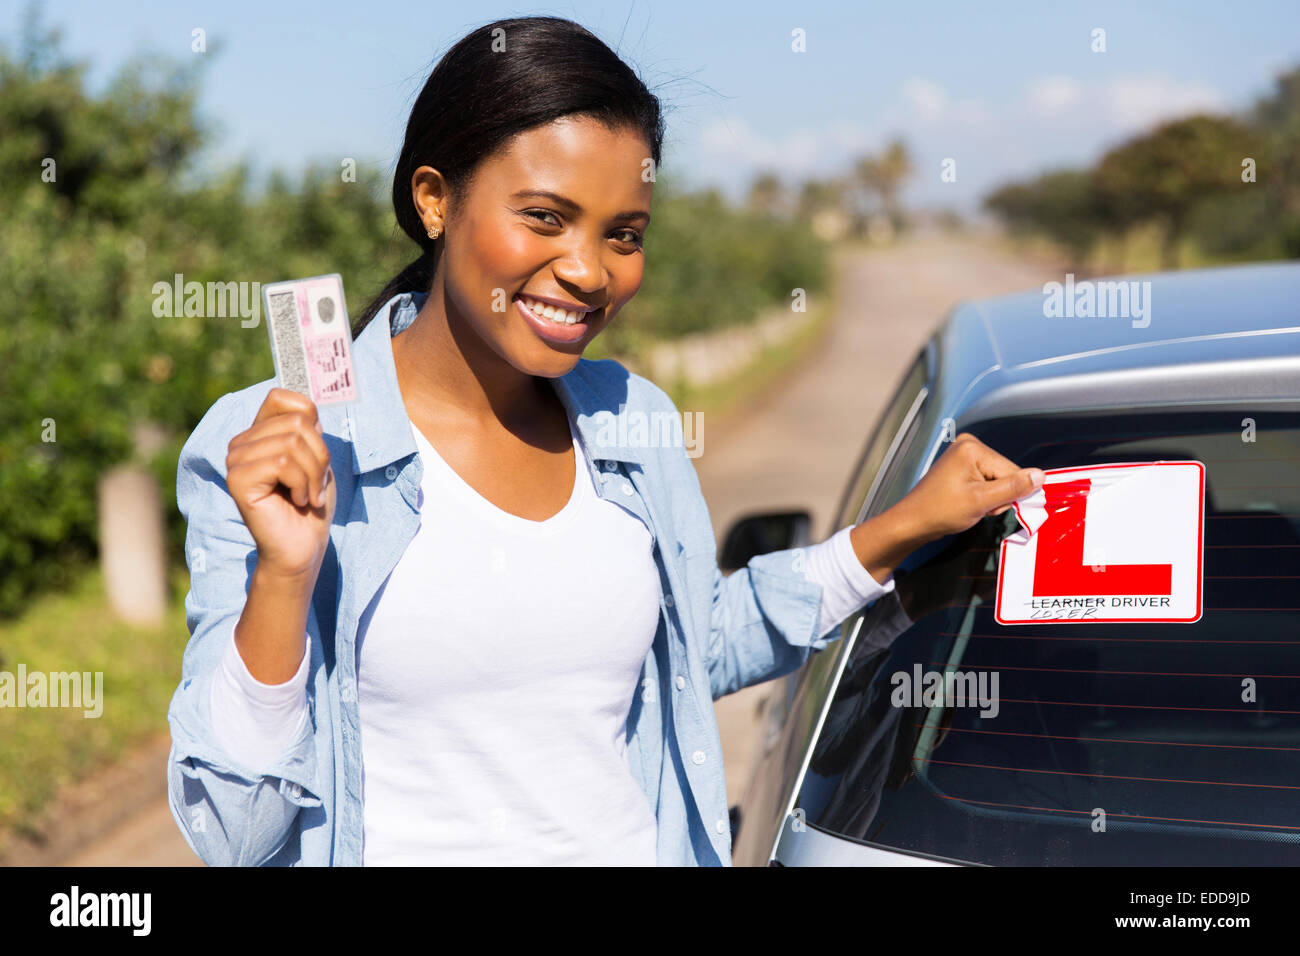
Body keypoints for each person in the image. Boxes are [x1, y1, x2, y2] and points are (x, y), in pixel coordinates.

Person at [165, 14, 1043, 866]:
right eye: (545, 217)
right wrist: (284, 576)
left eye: (623, 234)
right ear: (434, 200)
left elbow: (693, 646)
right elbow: (232, 832)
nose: (590, 271)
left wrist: (900, 529)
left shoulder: (633, 419)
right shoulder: (285, 450)